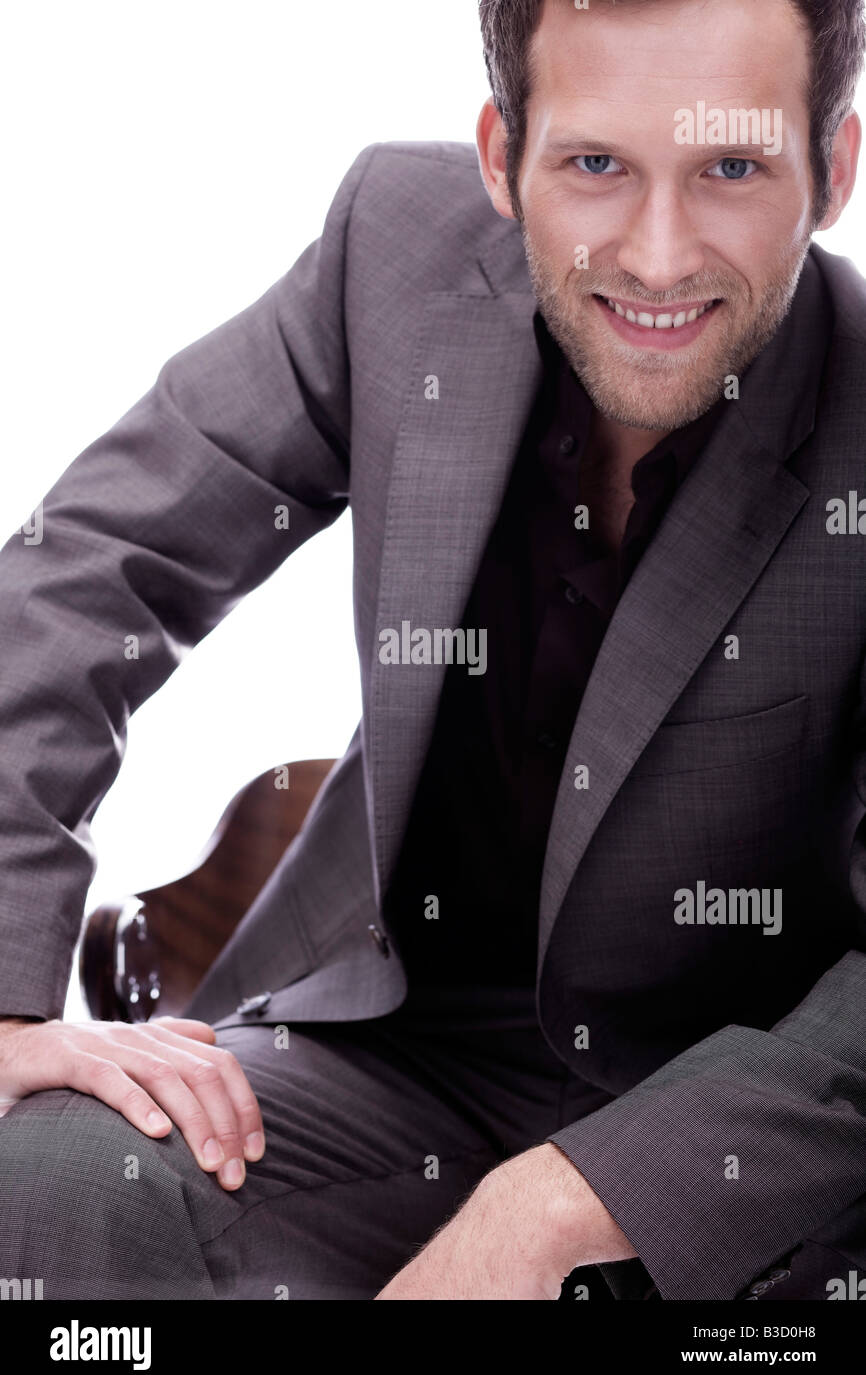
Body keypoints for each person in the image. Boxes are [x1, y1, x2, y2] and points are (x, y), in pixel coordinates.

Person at [1, 0, 866, 1301]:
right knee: (62, 1171)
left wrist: (561, 1203)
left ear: (833, 169)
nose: (655, 254)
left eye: (731, 170)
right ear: (498, 154)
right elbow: (100, 562)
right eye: (593, 166)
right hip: (389, 1065)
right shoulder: (394, 255)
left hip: (743, 1144)